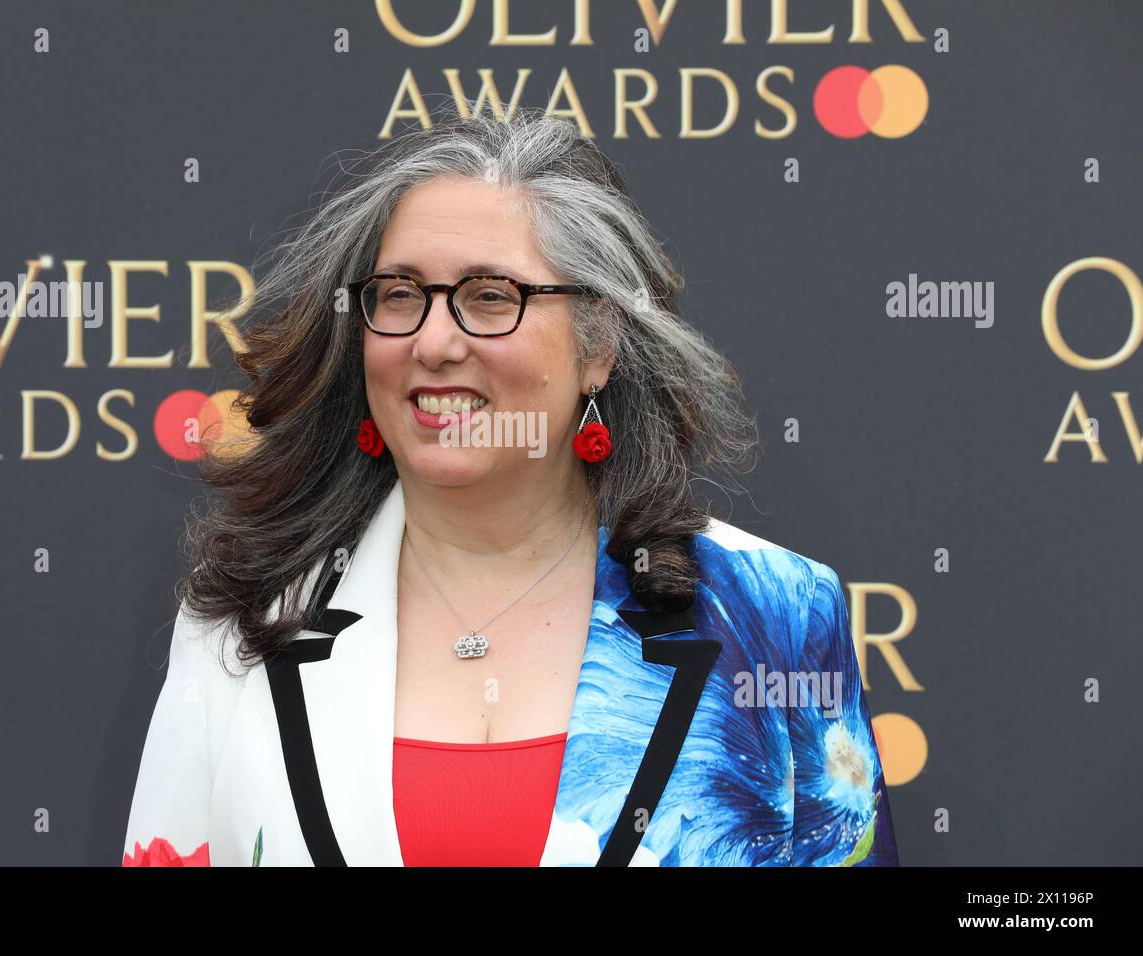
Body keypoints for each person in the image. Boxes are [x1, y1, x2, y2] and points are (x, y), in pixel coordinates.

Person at [121, 106, 899, 867]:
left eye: (490, 296)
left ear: (598, 346)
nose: (432, 342)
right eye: (399, 295)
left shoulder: (778, 614)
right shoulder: (243, 620)